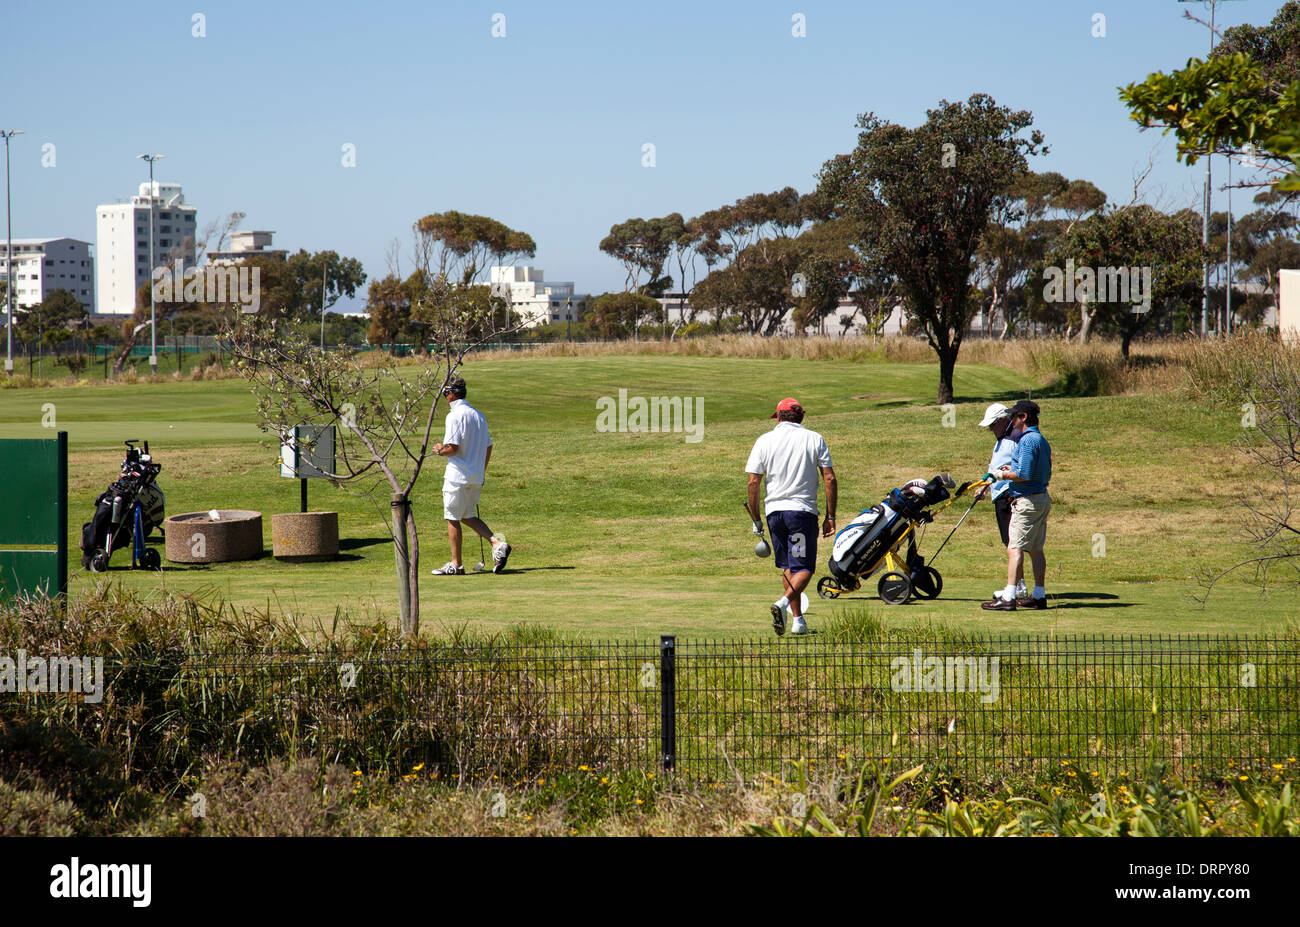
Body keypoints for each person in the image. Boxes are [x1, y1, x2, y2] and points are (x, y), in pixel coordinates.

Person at [744, 398, 837, 637]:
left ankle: (798, 621)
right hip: (801, 512)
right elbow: (829, 478)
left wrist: (756, 519)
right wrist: (831, 515)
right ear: (801, 416)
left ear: (778, 416)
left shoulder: (764, 440)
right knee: (804, 567)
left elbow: (753, 482)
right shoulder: (814, 438)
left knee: (788, 567)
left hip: (774, 512)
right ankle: (784, 603)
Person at [430, 376, 512, 575]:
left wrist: (440, 450)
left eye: (445, 394)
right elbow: (488, 446)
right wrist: (481, 472)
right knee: (467, 515)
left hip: (457, 476)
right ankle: (496, 543)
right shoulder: (478, 415)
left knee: (451, 517)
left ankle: (456, 564)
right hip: (475, 476)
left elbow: (453, 448)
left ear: (450, 394)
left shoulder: (454, 415)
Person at [982, 399, 1051, 611]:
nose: (1012, 420)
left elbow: (1024, 474)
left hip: (1027, 501)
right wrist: (1009, 466)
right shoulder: (1040, 439)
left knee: (1014, 548)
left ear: (1024, 418)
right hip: (1040, 498)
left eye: (1015, 416)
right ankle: (1038, 595)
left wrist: (1001, 474)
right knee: (1037, 549)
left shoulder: (1027, 440)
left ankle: (1009, 596)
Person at [973, 402, 1026, 602]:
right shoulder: (1001, 439)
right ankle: (1018, 585)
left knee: (1012, 544)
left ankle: (1017, 587)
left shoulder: (1012, 439)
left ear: (1003, 420)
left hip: (1008, 495)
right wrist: (984, 487)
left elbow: (1013, 468)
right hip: (1000, 495)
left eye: (992, 424)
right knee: (1010, 543)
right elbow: (994, 469)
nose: (990, 429)